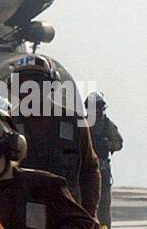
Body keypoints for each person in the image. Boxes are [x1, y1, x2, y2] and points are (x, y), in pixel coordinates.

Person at [7, 54, 101, 219]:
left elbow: (89, 170)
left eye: (37, 83)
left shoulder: (75, 123)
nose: (30, 90)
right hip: (20, 219)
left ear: (51, 85)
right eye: (22, 84)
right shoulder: (5, 126)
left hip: (66, 218)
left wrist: (89, 214)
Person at [86, 91, 123, 229]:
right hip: (86, 170)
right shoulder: (83, 125)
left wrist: (106, 144)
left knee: (103, 207)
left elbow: (119, 143)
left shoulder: (108, 126)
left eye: (96, 107)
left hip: (102, 169)